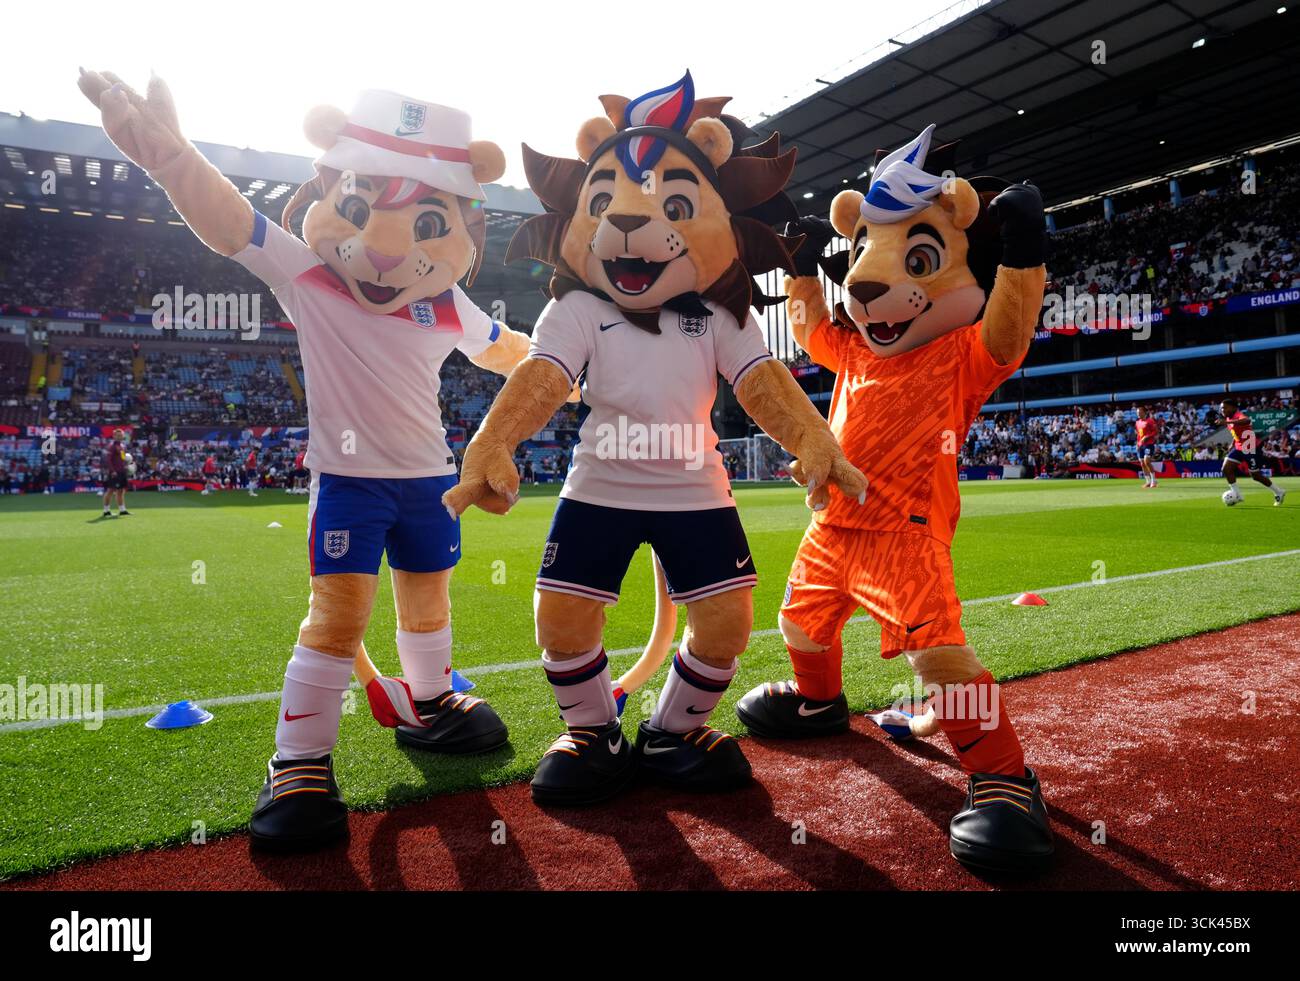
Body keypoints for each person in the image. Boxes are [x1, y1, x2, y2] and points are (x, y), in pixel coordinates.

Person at [1217, 399, 1286, 506]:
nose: (1222, 410)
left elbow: (1247, 420)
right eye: (1221, 408)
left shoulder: (1238, 415)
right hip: (1239, 447)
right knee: (1226, 468)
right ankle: (1238, 495)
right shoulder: (1228, 418)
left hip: (1251, 448)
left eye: (1225, 407)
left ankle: (1279, 491)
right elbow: (1236, 433)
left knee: (1256, 476)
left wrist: (1227, 422)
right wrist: (1232, 444)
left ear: (1233, 407)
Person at [101, 429, 131, 517]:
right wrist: (112, 471)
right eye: (117, 435)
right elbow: (108, 460)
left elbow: (122, 459)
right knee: (110, 490)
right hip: (115, 472)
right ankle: (106, 511)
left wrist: (127, 465)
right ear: (114, 436)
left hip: (122, 471)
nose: (119, 436)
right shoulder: (112, 446)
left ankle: (122, 510)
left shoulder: (122, 446)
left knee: (121, 491)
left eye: (120, 435)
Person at [1135, 406, 1160, 488]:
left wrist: (1147, 436)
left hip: (1149, 444)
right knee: (1142, 463)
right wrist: (1137, 444)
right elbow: (1138, 434)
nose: (1138, 414)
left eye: (1139, 412)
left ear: (1144, 412)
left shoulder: (1150, 421)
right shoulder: (1137, 422)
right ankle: (1148, 481)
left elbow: (1156, 431)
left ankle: (1154, 481)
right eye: (1137, 412)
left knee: (1147, 461)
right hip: (1140, 445)